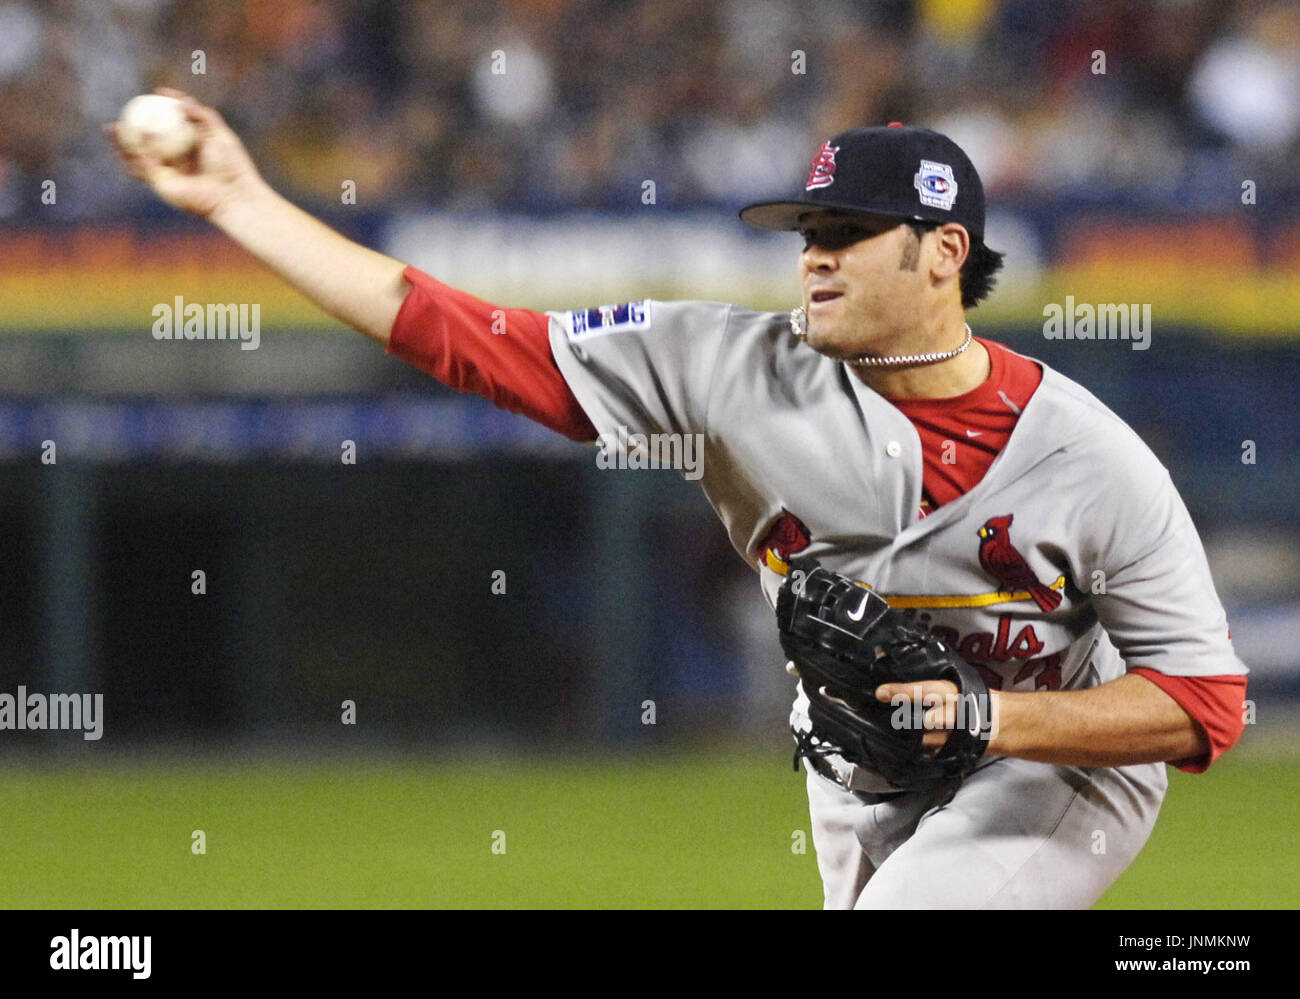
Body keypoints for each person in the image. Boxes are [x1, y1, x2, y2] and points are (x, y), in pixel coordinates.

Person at [110, 93, 1248, 909]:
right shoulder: (723, 366)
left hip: (1053, 764)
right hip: (857, 768)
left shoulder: (1090, 459)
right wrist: (240, 203)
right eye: (808, 233)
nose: (815, 257)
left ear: (945, 251)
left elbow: (1203, 706)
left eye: (848, 233)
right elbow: (467, 338)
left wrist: (991, 719)